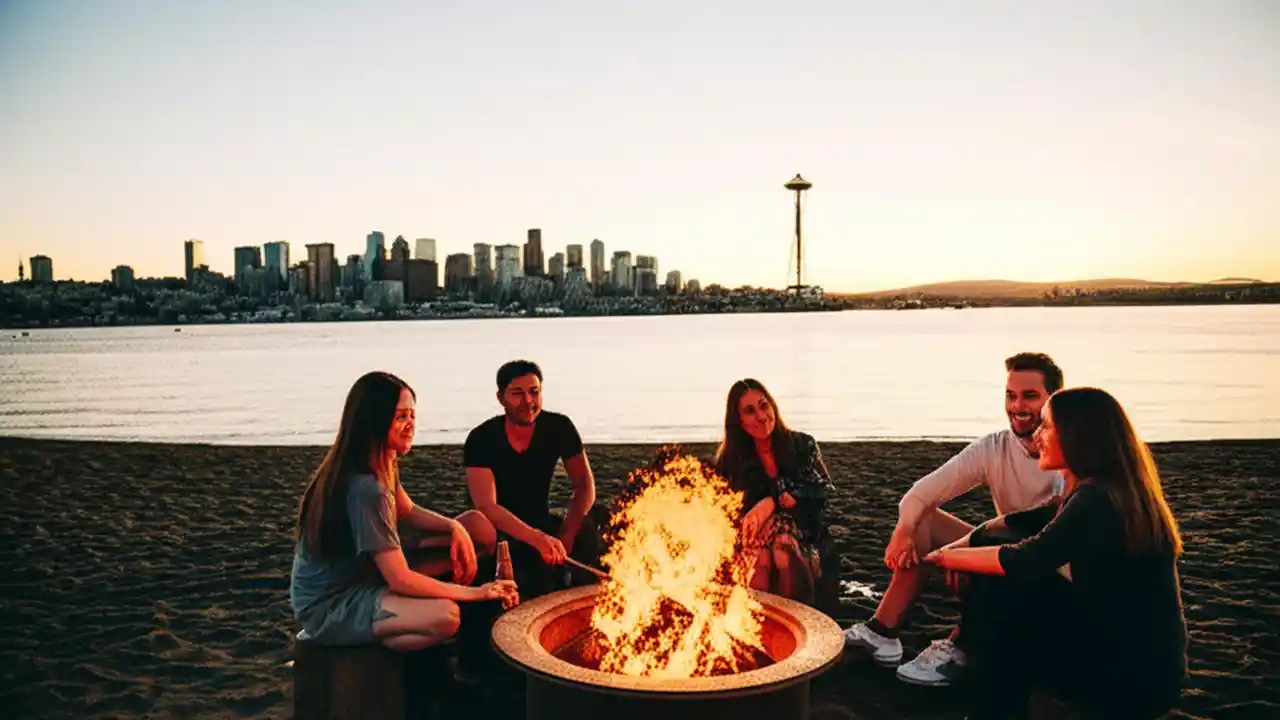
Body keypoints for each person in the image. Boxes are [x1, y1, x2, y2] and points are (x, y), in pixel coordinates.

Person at [924, 387, 1187, 719]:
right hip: (1146, 666)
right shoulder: (1114, 489)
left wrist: (943, 559)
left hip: (1131, 681)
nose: (1037, 434)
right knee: (1003, 569)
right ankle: (991, 690)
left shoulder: (1096, 500)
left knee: (1003, 589)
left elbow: (1026, 559)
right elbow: (1025, 521)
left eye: (1046, 426)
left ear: (1078, 435)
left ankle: (993, 707)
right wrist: (967, 543)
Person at [843, 352, 1066, 687]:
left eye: (1030, 396)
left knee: (1001, 545)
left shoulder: (1070, 451)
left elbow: (1046, 541)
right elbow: (921, 493)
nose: (1018, 406)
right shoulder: (996, 447)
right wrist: (903, 531)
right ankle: (883, 631)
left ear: (1053, 401)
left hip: (1051, 572)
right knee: (922, 520)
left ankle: (962, 646)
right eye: (1011, 395)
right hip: (1001, 545)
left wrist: (968, 553)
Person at [290, 371, 517, 652]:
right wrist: (478, 593)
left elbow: (406, 510)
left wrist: (453, 527)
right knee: (445, 616)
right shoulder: (366, 488)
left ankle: (411, 616)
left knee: (478, 528)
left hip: (369, 571)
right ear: (374, 422)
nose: (410, 425)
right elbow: (400, 578)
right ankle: (376, 650)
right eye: (400, 417)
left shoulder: (382, 461)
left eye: (412, 415)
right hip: (332, 603)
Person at [465, 360, 599, 599]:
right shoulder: (481, 438)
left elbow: (584, 484)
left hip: (543, 522)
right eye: (517, 394)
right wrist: (536, 539)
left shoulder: (559, 426)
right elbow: (486, 505)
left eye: (534, 392)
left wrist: (567, 533)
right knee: (532, 583)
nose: (528, 401)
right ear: (500, 397)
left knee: (593, 524)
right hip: (501, 532)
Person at [713, 378, 834, 604]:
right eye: (749, 411)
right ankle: (766, 626)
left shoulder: (801, 445)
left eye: (763, 405)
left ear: (772, 405)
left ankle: (800, 616)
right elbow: (728, 513)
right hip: (755, 541)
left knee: (783, 542)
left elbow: (821, 491)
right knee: (759, 555)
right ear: (738, 420)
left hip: (803, 535)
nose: (761, 416)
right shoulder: (730, 462)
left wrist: (772, 502)